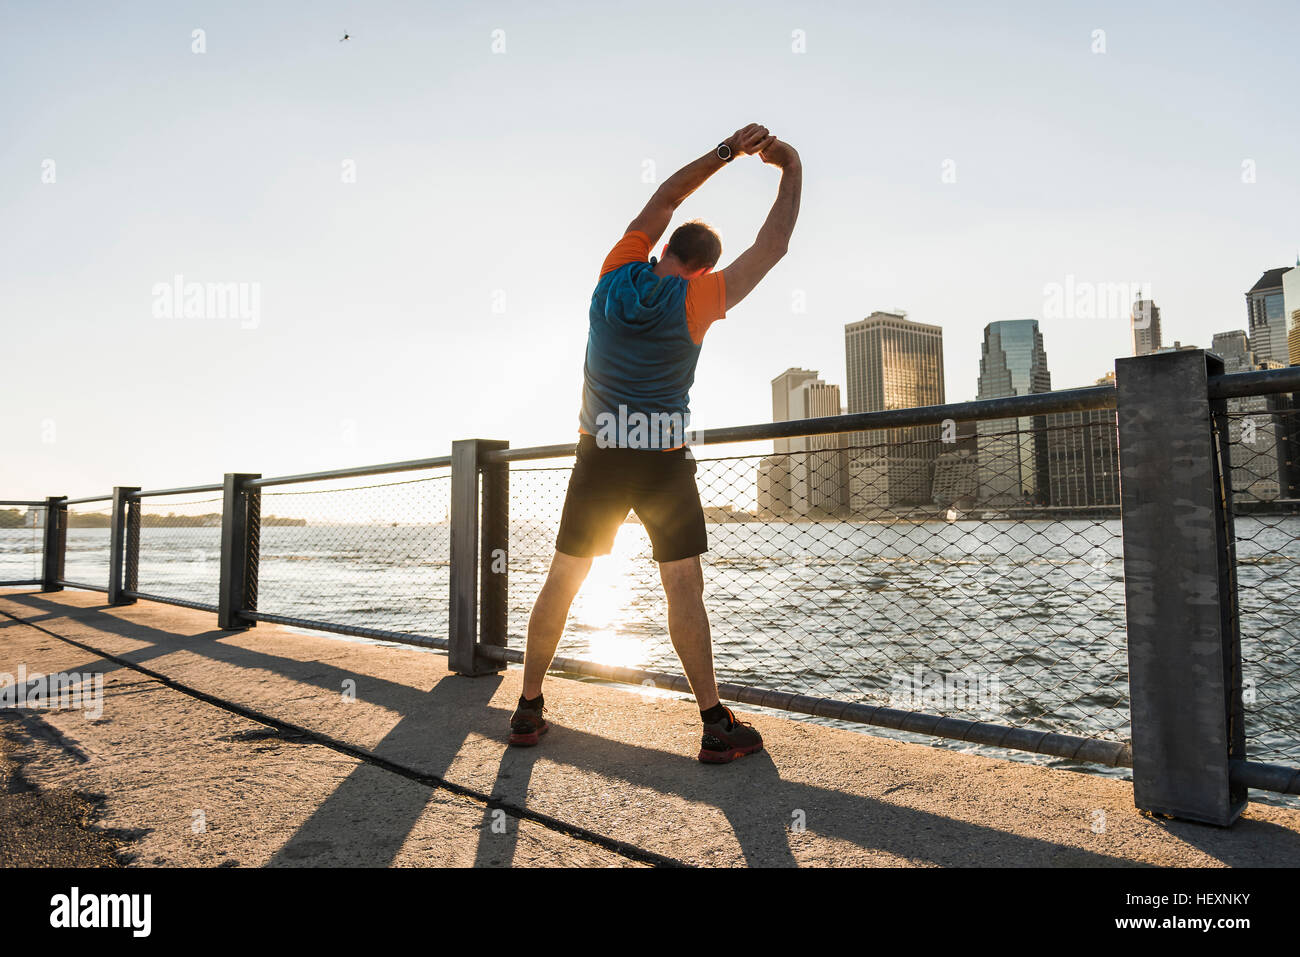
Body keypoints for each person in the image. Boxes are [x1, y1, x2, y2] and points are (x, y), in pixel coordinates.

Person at [509, 123, 802, 763]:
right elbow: (773, 244)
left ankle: (528, 710)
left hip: (599, 455)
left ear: (665, 246)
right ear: (707, 266)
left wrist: (726, 153)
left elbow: (668, 195)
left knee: (563, 581)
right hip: (663, 463)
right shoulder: (702, 297)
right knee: (682, 591)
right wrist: (789, 164)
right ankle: (713, 725)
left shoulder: (613, 273)